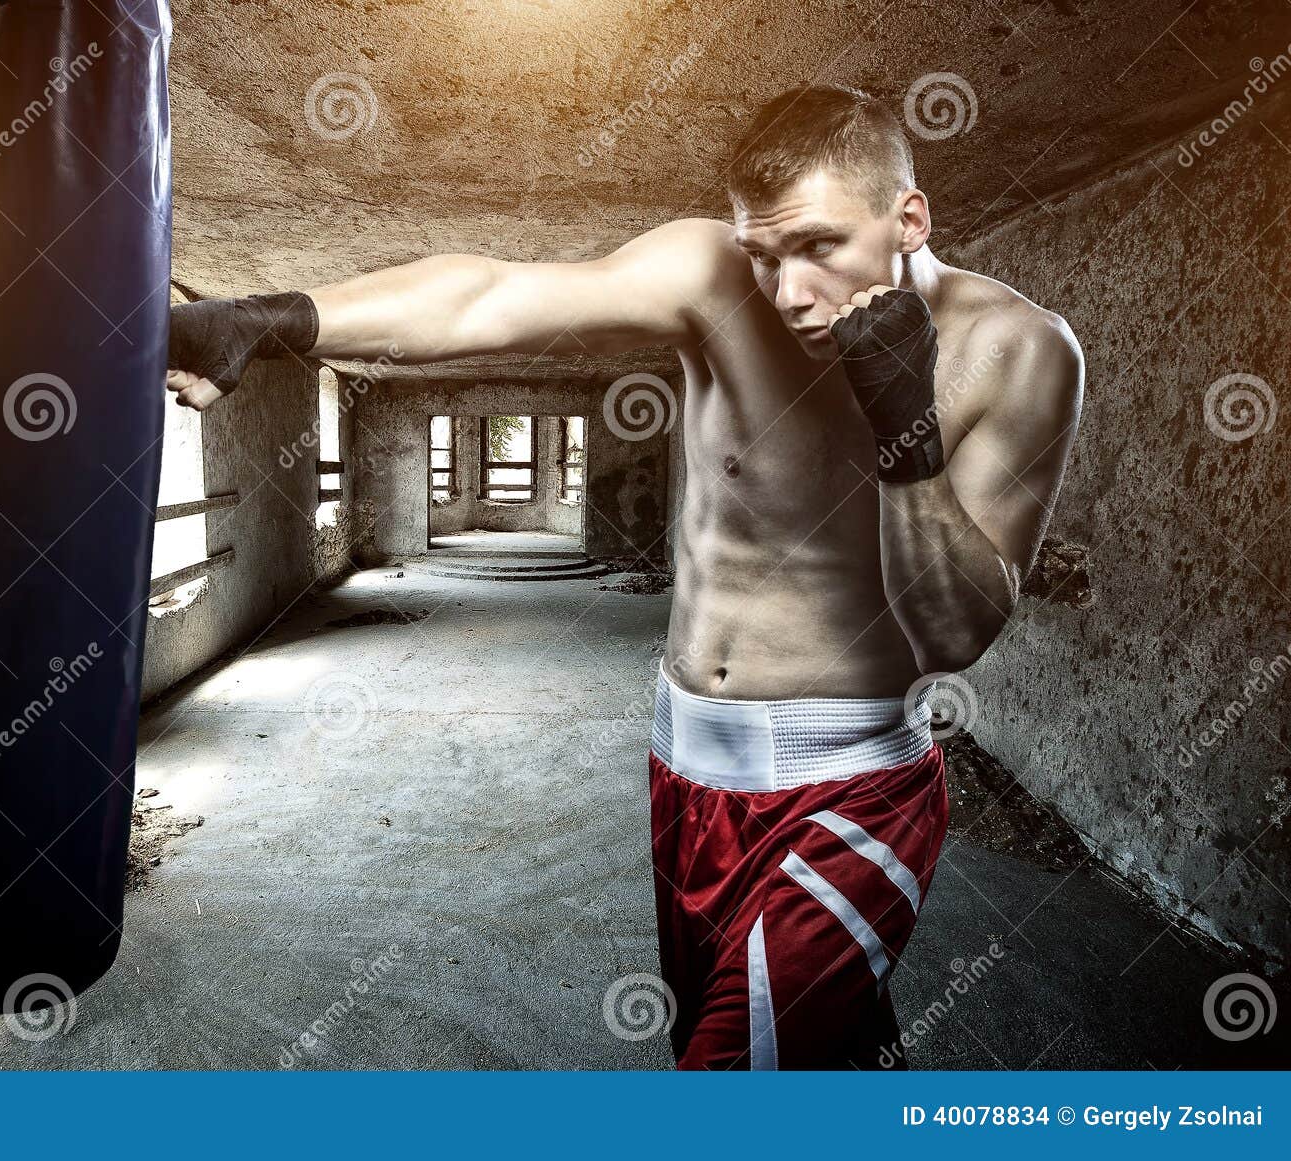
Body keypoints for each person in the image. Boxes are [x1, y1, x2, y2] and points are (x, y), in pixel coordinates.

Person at [165, 83, 1084, 1069]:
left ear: (909, 218)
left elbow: (951, 634)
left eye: (818, 247)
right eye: (764, 256)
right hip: (684, 769)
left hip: (845, 792)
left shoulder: (1017, 352)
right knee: (782, 1051)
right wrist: (273, 318)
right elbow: (493, 294)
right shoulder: (710, 275)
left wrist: (903, 423)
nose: (786, 292)